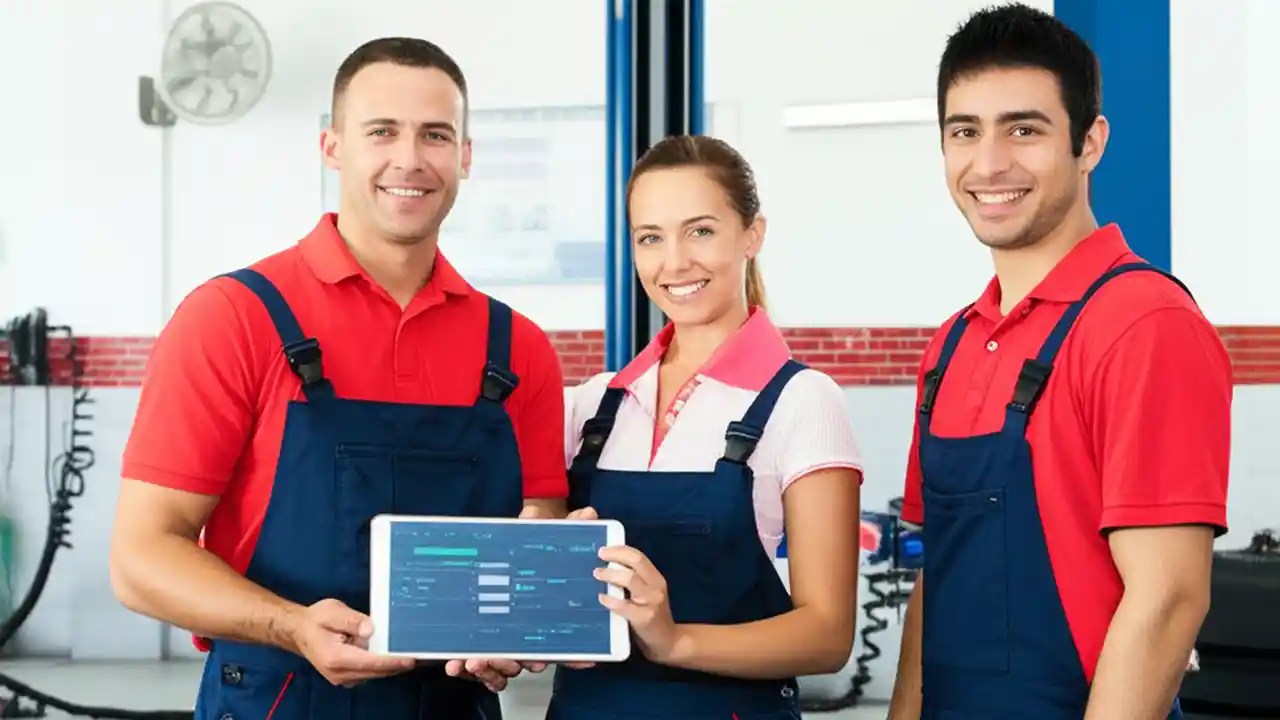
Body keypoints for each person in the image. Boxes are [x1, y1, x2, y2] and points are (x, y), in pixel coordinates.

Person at [108, 37, 568, 719]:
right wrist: (290, 624)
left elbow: (539, 528)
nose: (409, 159)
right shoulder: (234, 318)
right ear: (333, 147)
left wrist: (515, 626)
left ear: (466, 156)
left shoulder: (519, 349)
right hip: (278, 699)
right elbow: (142, 556)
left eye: (436, 135)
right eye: (381, 131)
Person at [886, 5, 1232, 719]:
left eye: (1024, 129)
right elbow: (936, 579)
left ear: (1090, 141)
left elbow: (1168, 598)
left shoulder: (1143, 323)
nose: (990, 164)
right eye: (964, 132)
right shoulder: (949, 346)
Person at [545, 134, 864, 719]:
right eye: (650, 238)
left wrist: (674, 640)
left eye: (700, 231)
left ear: (752, 235)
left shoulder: (801, 402)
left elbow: (827, 635)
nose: (675, 262)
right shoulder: (592, 406)